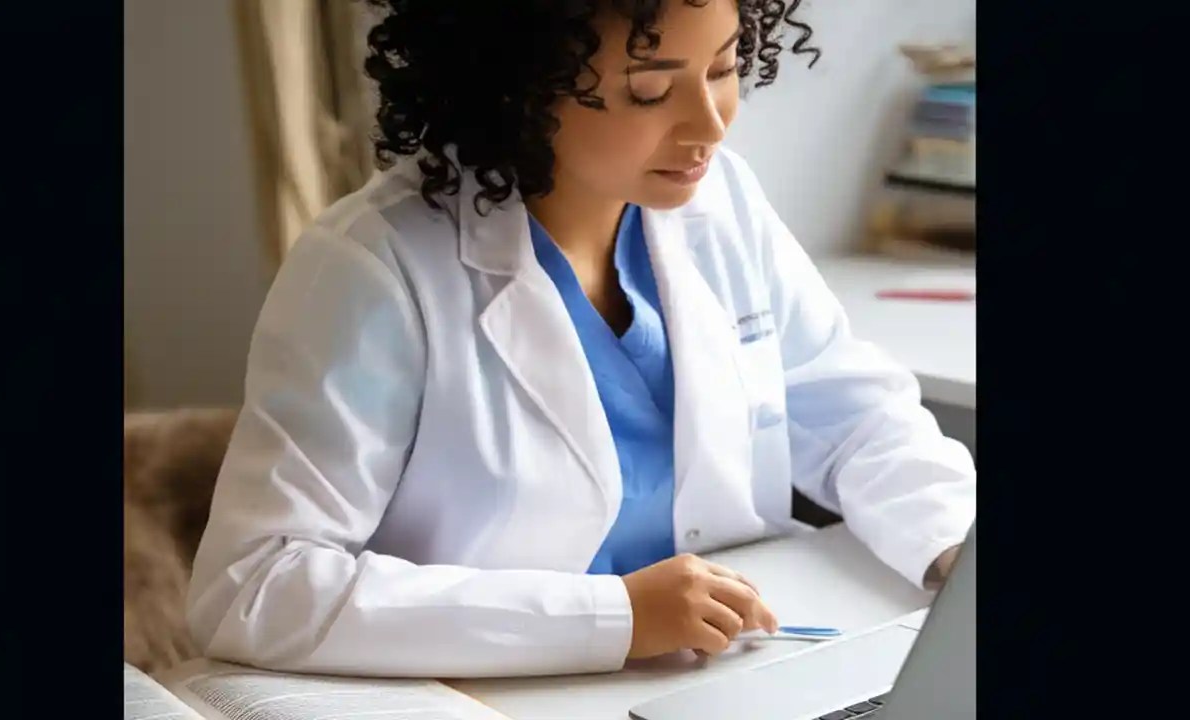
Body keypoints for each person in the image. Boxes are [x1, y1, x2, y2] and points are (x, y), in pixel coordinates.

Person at [186, 0, 976, 679]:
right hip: (504, 691)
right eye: (651, 89)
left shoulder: (722, 201)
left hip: (747, 663)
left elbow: (851, 416)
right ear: (522, 86)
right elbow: (253, 587)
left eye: (725, 68)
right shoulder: (371, 268)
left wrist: (956, 547)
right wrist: (612, 618)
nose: (708, 124)